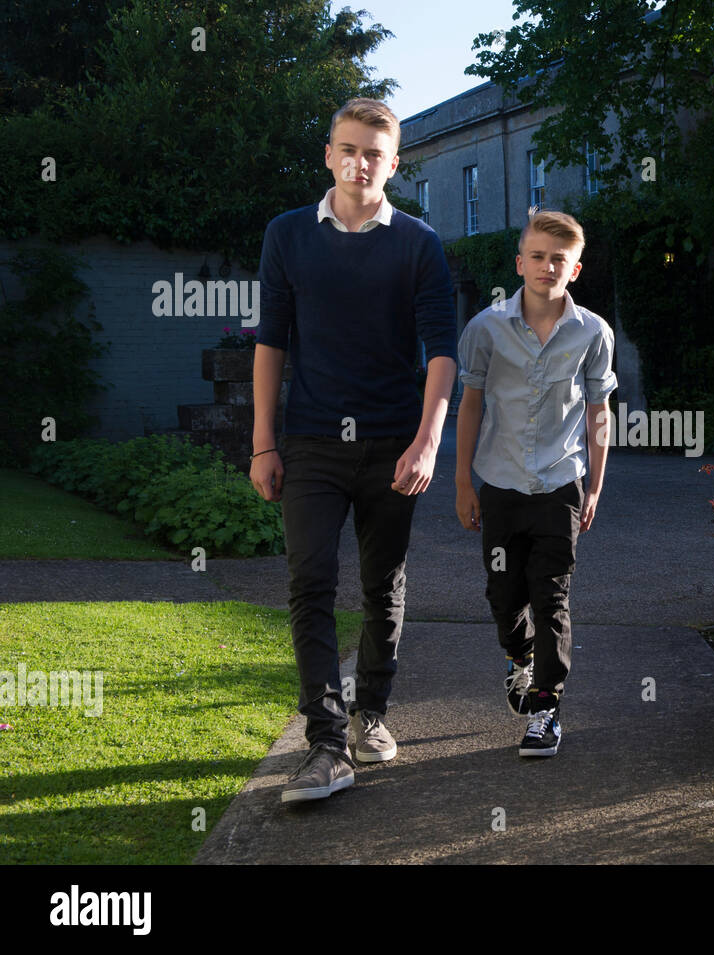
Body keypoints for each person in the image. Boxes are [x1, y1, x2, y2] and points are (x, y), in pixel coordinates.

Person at [249, 97, 457, 803]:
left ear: (394, 164)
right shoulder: (286, 235)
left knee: (381, 586)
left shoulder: (419, 244)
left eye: (374, 152)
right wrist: (262, 444)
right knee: (308, 584)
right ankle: (326, 744)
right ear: (329, 155)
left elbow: (442, 351)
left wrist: (428, 441)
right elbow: (270, 342)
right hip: (308, 442)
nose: (359, 162)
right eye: (348, 148)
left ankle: (372, 712)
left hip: (393, 444)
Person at [455, 209, 615, 757]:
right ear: (521, 262)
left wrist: (594, 487)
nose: (549, 266)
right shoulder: (485, 329)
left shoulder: (593, 332)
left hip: (560, 487)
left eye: (560, 259)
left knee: (552, 596)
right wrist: (462, 482)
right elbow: (470, 404)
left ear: (575, 270)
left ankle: (545, 709)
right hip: (499, 485)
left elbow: (598, 410)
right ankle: (518, 659)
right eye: (539, 256)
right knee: (504, 594)